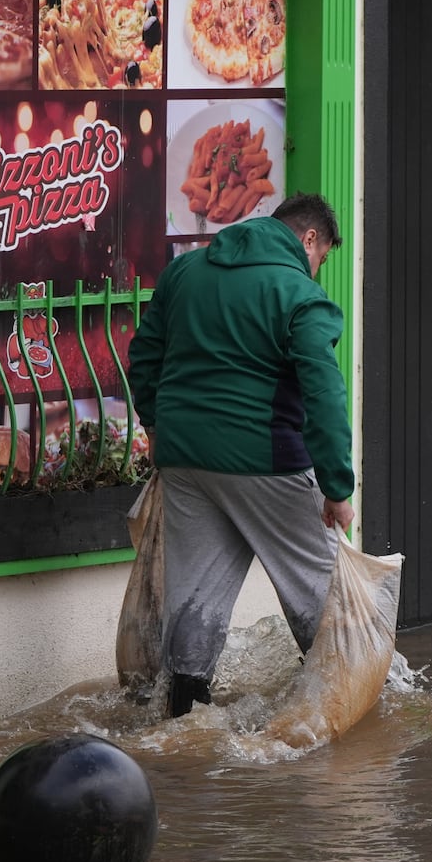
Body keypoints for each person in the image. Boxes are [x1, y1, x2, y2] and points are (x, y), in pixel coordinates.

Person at [127, 192, 356, 717]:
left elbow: (145, 356)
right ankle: (351, 708)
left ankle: (182, 718)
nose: (315, 268)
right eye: (319, 258)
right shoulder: (299, 295)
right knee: (324, 596)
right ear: (310, 239)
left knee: (196, 595)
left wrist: (157, 426)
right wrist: (337, 489)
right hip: (265, 461)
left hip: (185, 462)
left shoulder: (183, 273)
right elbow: (324, 394)